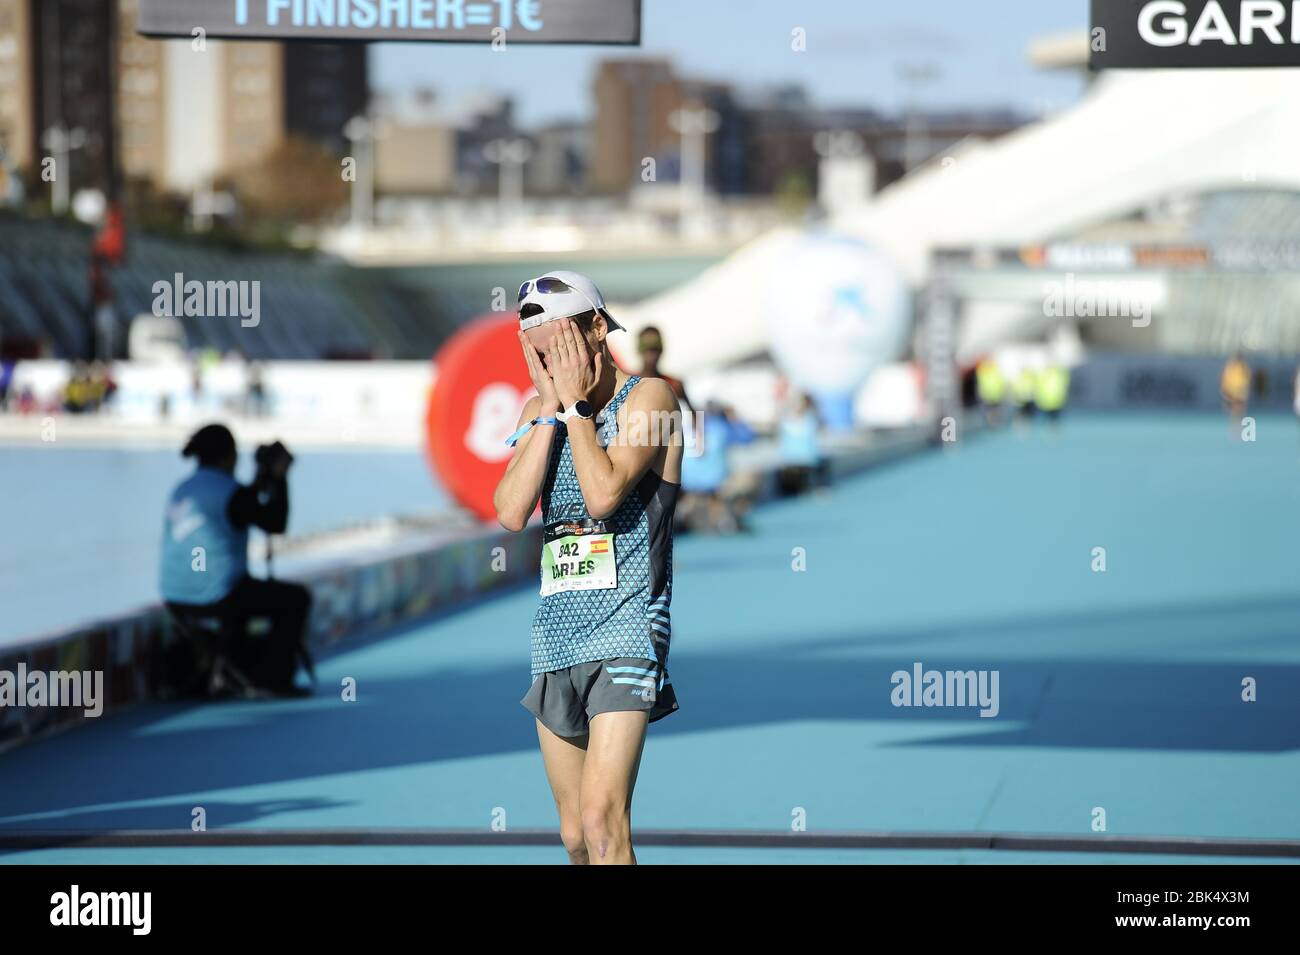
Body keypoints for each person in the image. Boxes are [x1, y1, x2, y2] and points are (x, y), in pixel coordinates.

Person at [494, 270, 683, 866]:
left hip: (629, 628)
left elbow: (603, 494)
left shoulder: (651, 399)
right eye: (541, 355)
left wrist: (576, 407)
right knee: (575, 835)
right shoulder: (541, 406)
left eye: (563, 348)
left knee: (605, 824)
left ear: (598, 329)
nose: (553, 365)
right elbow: (509, 511)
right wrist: (550, 409)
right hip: (557, 633)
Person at [159, 423, 313, 698]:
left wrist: (261, 480)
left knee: (248, 594)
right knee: (296, 599)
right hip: (218, 595)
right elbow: (275, 522)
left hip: (174, 597)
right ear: (229, 456)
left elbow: (240, 504)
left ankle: (233, 671)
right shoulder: (231, 492)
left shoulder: (182, 489)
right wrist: (280, 478)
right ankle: (273, 680)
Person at [635, 325, 693, 417]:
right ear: (640, 351)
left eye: (655, 349)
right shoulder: (630, 386)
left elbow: (695, 420)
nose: (652, 355)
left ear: (661, 350)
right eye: (648, 350)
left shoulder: (675, 385)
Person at [777, 393, 827, 497]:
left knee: (817, 462)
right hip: (795, 456)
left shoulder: (809, 417)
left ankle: (815, 486)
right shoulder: (788, 419)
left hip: (807, 455)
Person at [1221, 352, 1251, 429]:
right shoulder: (1230, 367)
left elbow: (1247, 378)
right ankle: (1235, 422)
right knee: (1234, 407)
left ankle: (1239, 422)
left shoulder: (1243, 367)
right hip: (1232, 389)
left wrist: (1245, 388)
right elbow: (1225, 378)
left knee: (1239, 406)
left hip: (1239, 389)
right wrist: (1225, 389)